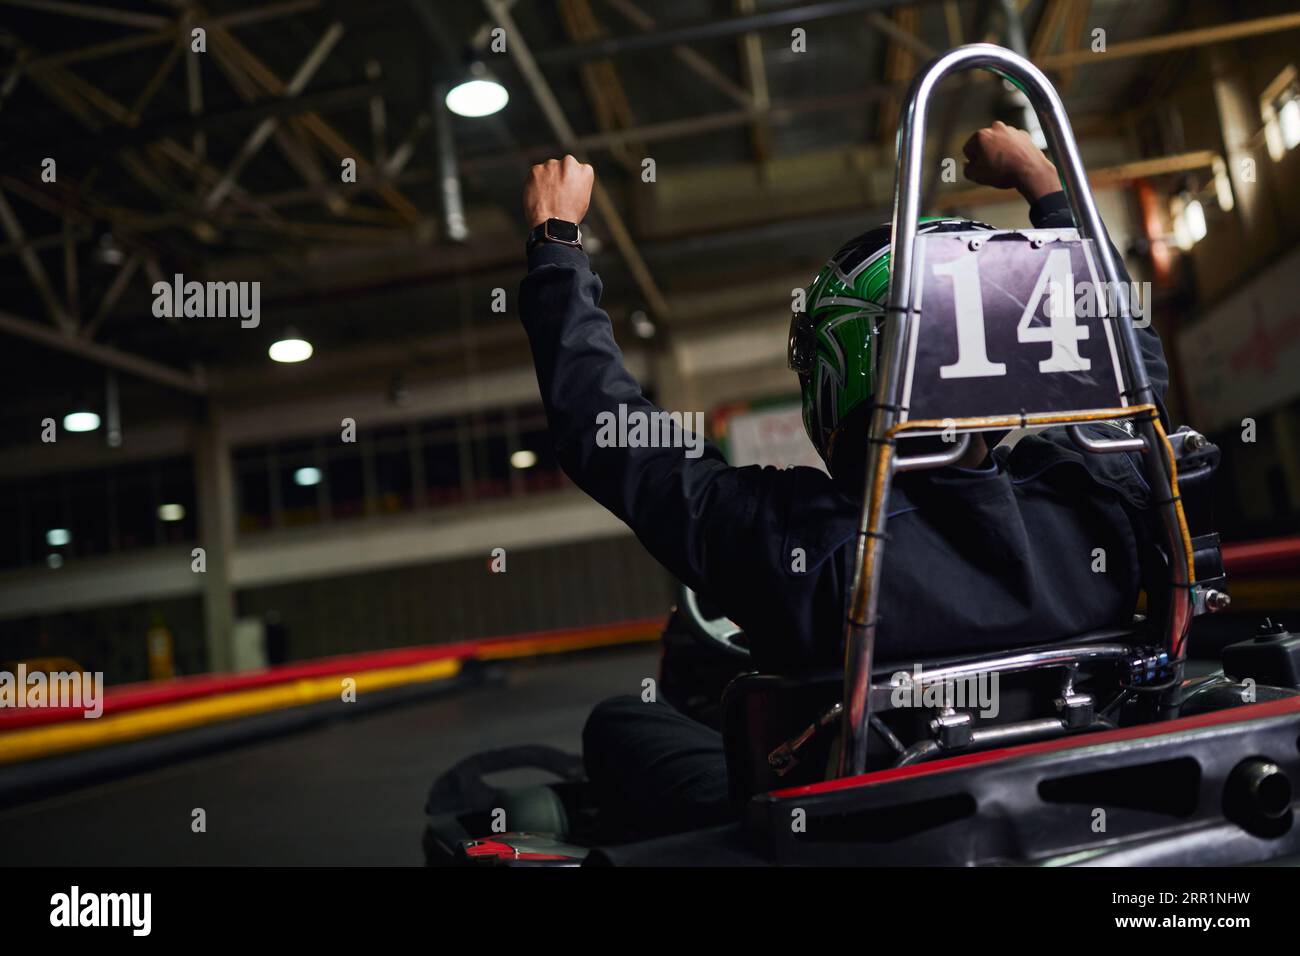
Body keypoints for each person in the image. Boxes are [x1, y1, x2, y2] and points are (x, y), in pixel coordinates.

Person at [518, 122, 1172, 839]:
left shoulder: (798, 539)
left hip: (860, 836)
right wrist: (1043, 181)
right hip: (1074, 813)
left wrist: (557, 243)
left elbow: (604, 431)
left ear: (844, 370)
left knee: (622, 724)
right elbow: (1132, 362)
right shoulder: (1100, 496)